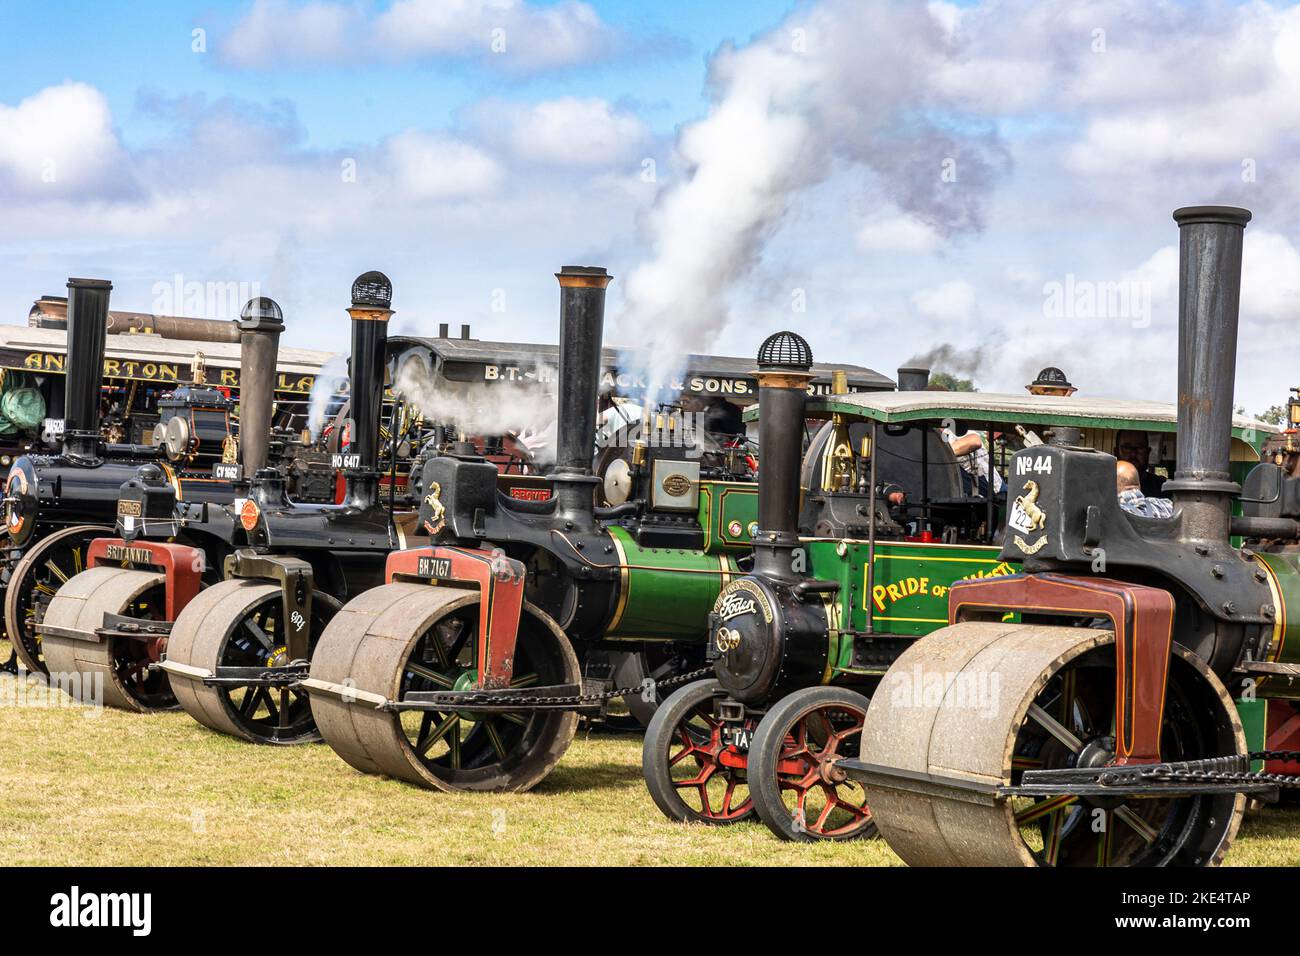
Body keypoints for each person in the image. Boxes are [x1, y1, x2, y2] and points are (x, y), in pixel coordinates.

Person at [941, 425, 1003, 497]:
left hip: (991, 487)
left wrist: (941, 452)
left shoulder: (953, 429)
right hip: (966, 488)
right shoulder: (932, 436)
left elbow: (975, 441)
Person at [1114, 429, 1165, 498]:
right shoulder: (1104, 486)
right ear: (1116, 452)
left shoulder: (1162, 488)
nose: (1133, 454)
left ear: (1148, 452)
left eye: (1140, 448)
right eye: (1127, 448)